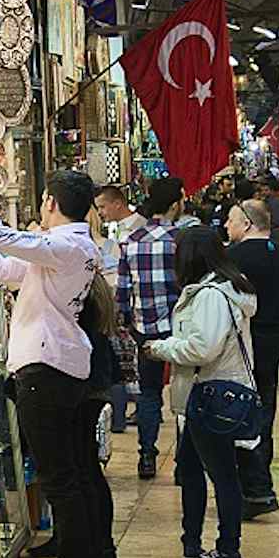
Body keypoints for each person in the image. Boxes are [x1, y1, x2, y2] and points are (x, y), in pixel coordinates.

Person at [0, 159, 119, 558]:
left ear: (51, 203)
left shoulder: (65, 245)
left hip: (46, 369)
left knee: (60, 478)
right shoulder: (63, 248)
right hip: (56, 365)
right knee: (70, 475)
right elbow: (1, 267)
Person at [152, 225, 262, 558]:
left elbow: (204, 348)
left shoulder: (212, 294)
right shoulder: (225, 288)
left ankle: (226, 549)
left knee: (220, 475)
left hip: (212, 396)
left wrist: (160, 348)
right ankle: (193, 544)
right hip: (215, 394)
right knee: (192, 469)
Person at [220, 199, 279, 519]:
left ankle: (247, 489)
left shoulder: (229, 258)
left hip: (235, 349)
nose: (226, 228)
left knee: (234, 414)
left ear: (246, 223)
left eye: (230, 221)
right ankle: (261, 483)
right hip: (270, 346)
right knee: (264, 412)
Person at [100, 174, 184, 480]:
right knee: (183, 392)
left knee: (149, 393)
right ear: (177, 203)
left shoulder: (131, 242)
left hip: (144, 327)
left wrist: (124, 319)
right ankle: (183, 463)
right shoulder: (181, 240)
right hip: (181, 328)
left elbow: (123, 290)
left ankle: (147, 456)